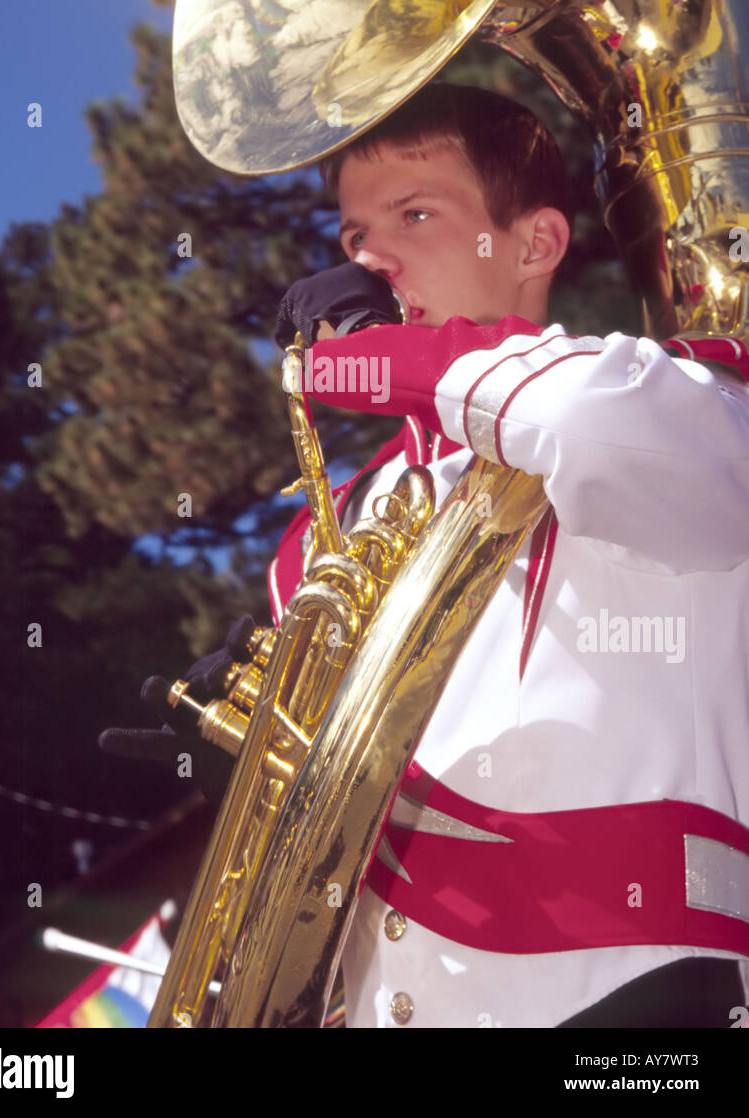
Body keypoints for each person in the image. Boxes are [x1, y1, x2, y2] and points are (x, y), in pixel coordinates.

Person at [102, 83, 749, 1028]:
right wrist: (258, 765)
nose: (372, 259)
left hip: (632, 1011)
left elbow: (623, 436)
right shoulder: (331, 528)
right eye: (354, 237)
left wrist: (394, 355)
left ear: (534, 244)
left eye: (415, 214)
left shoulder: (664, 391)